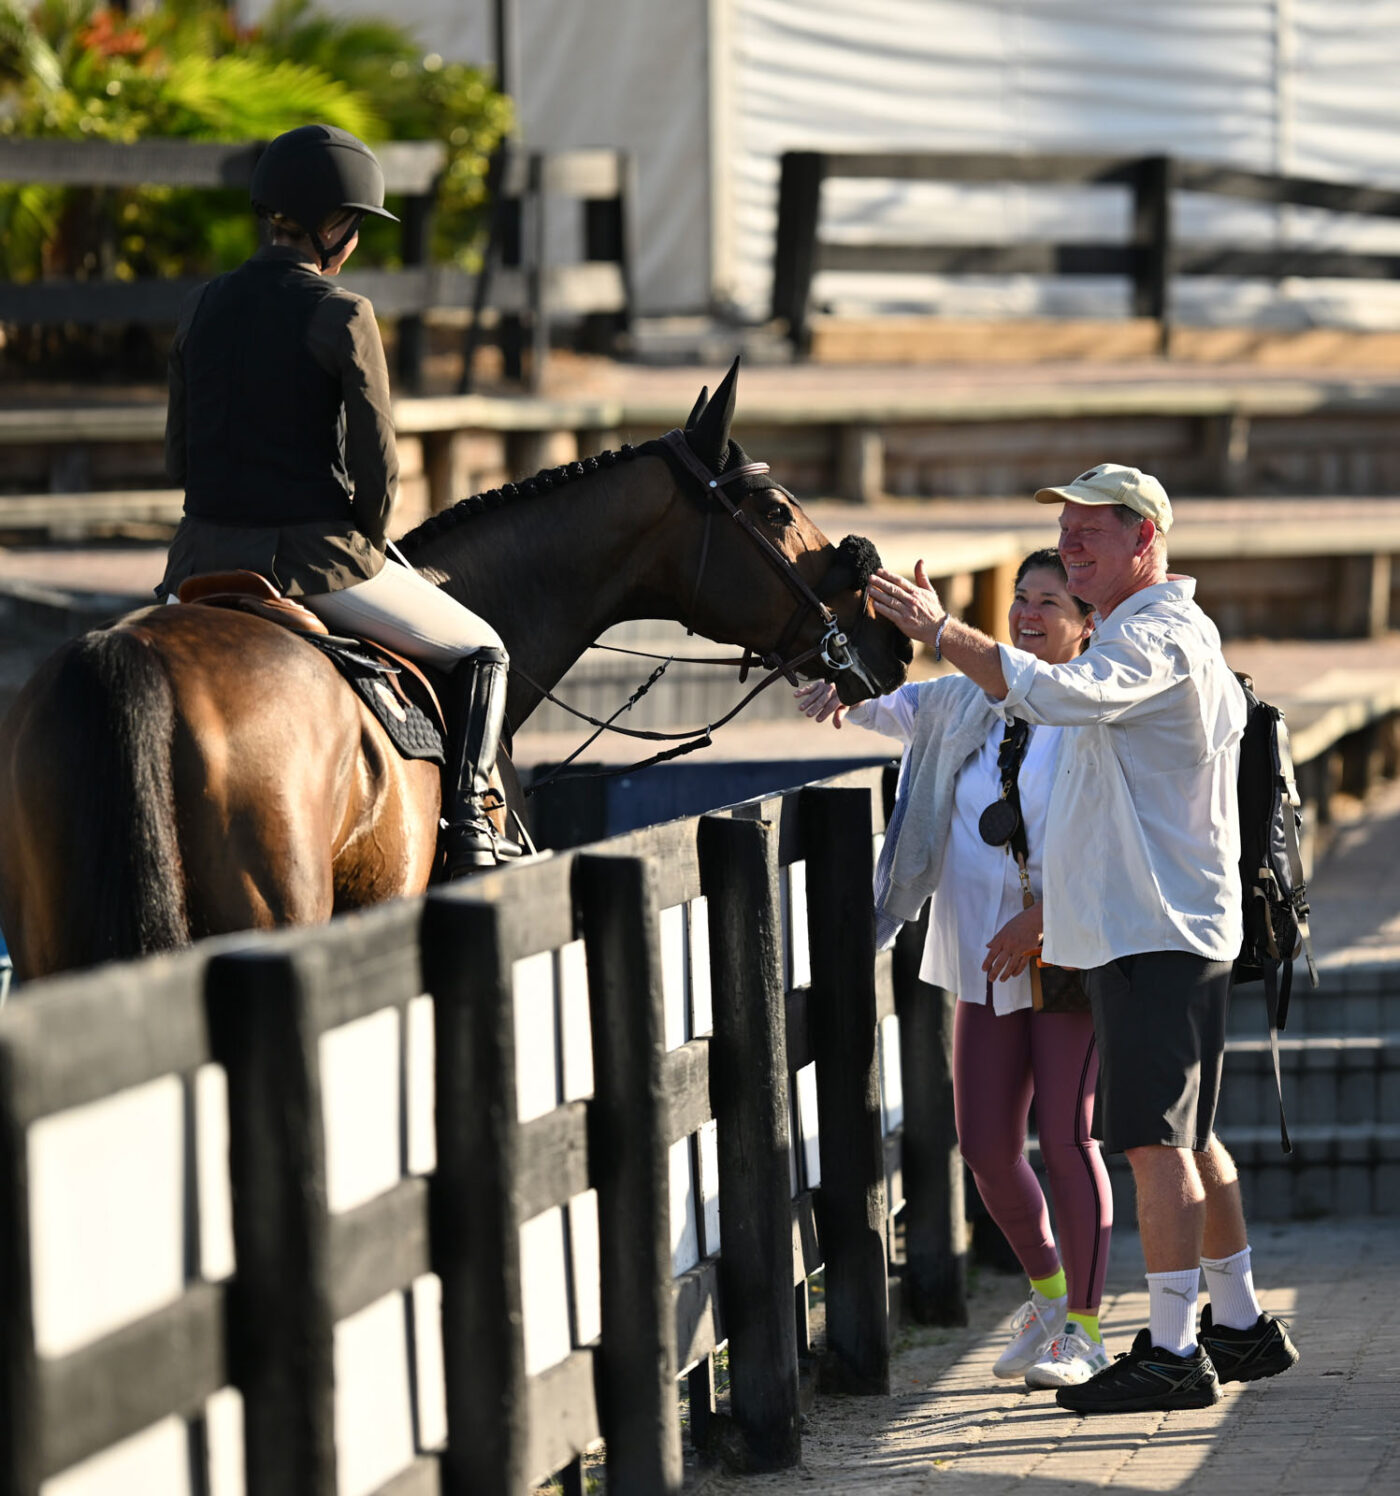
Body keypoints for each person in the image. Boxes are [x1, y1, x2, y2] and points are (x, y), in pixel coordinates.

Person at [865, 463, 1299, 1415]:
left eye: (1089, 537)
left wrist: (941, 633)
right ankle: (1237, 1322)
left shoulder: (1163, 636)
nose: (1070, 550)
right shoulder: (1163, 629)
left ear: (1146, 540)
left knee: (1151, 1146)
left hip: (1153, 930)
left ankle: (1174, 1350)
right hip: (1161, 924)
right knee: (1191, 1135)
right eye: (1064, 537)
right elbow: (1033, 696)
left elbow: (1061, 695)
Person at [158, 123, 518, 872]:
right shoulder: (343, 313)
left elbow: (177, 458)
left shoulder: (199, 306)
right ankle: (471, 826)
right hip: (315, 562)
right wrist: (364, 538)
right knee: (484, 649)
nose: (354, 244)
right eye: (354, 228)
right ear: (333, 226)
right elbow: (378, 467)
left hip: (193, 562)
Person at [796, 549, 1114, 1389]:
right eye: (1021, 599)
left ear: (1088, 627)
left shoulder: (1093, 709)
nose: (1029, 614)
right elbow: (892, 710)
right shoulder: (968, 697)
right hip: (979, 950)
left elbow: (1115, 840)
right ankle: (1047, 1298)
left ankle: (1085, 1331)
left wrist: (1046, 916)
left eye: (1051, 603)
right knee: (984, 1146)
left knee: (1067, 1138)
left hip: (1066, 952)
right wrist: (842, 688)